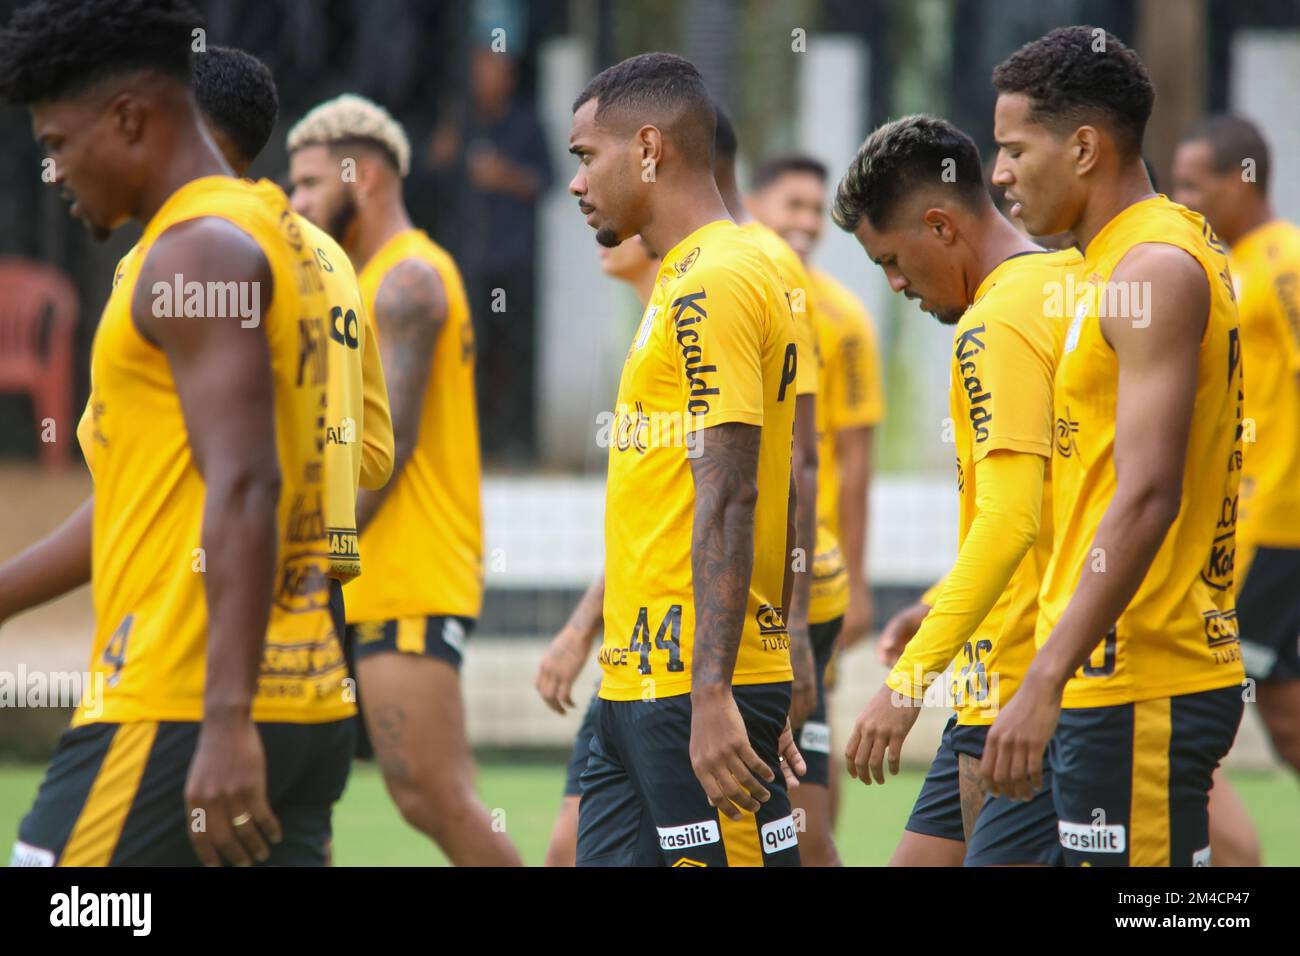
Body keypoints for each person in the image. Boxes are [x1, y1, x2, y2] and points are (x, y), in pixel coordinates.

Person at [2, 0, 353, 866]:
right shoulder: (289, 242)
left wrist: (225, 718)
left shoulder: (195, 255)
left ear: (126, 120)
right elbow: (155, 492)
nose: (52, 172)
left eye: (55, 145)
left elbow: (246, 483)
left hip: (183, 700)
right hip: (302, 698)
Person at [983, 26, 1245, 867]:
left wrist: (1045, 676)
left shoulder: (1151, 270)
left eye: (1014, 150)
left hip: (1142, 675)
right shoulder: (1118, 263)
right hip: (1106, 671)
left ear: (1085, 148)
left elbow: (1146, 495)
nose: (998, 175)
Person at [567, 52, 804, 866]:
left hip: (690, 692)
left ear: (647, 148)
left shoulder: (721, 279)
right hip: (633, 687)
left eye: (585, 156)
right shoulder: (681, 281)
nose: (575, 182)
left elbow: (738, 492)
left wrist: (721, 690)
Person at [833, 115, 1080, 866]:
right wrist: (944, 603)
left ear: (939, 225)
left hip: (1016, 689)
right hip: (1020, 672)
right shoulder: (1069, 283)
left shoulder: (994, 325)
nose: (896, 285)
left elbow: (1008, 521)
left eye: (892, 260)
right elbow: (1054, 506)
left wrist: (904, 689)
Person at [288, 95, 519, 866]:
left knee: (435, 796)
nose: (296, 203)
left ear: (371, 179)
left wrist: (307, 562)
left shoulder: (407, 281)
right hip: (363, 578)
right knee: (287, 790)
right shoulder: (355, 280)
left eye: (311, 183)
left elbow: (381, 460)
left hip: (408, 576)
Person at [1173, 113, 1300, 866]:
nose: (1183, 198)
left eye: (1193, 183)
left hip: (1272, 526)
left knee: (1195, 706)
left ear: (1241, 179)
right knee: (1280, 708)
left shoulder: (1282, 262)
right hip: (1254, 522)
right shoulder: (1234, 260)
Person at [710, 108, 830, 863]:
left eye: (818, 210)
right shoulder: (671, 278)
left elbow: (810, 462)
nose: (810, 224)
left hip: (781, 582)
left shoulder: (761, 280)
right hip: (706, 604)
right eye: (797, 205)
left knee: (799, 823)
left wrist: (800, 612)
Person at [536, 235, 660, 867]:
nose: (585, 196)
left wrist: (579, 629)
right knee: (571, 849)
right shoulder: (648, 324)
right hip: (629, 643)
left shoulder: (696, 313)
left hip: (678, 656)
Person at [429, 47, 554, 461]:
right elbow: (431, 172)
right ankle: (471, 439)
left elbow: (547, 181)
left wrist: (504, 176)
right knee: (469, 348)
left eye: (493, 71)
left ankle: (515, 442)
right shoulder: (462, 120)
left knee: (512, 350)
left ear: (510, 78)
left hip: (512, 258)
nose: (484, 80)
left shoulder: (525, 123)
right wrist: (447, 140)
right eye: (477, 71)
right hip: (468, 257)